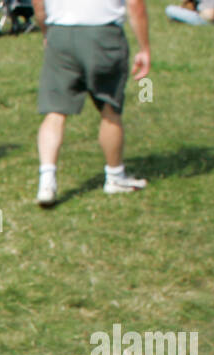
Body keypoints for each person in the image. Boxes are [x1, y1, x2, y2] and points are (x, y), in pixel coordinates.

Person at [33, 0, 149, 206]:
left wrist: (46, 31)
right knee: (110, 109)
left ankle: (46, 181)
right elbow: (135, 4)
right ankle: (115, 175)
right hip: (103, 33)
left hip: (60, 32)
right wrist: (144, 47)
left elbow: (38, 3)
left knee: (55, 112)